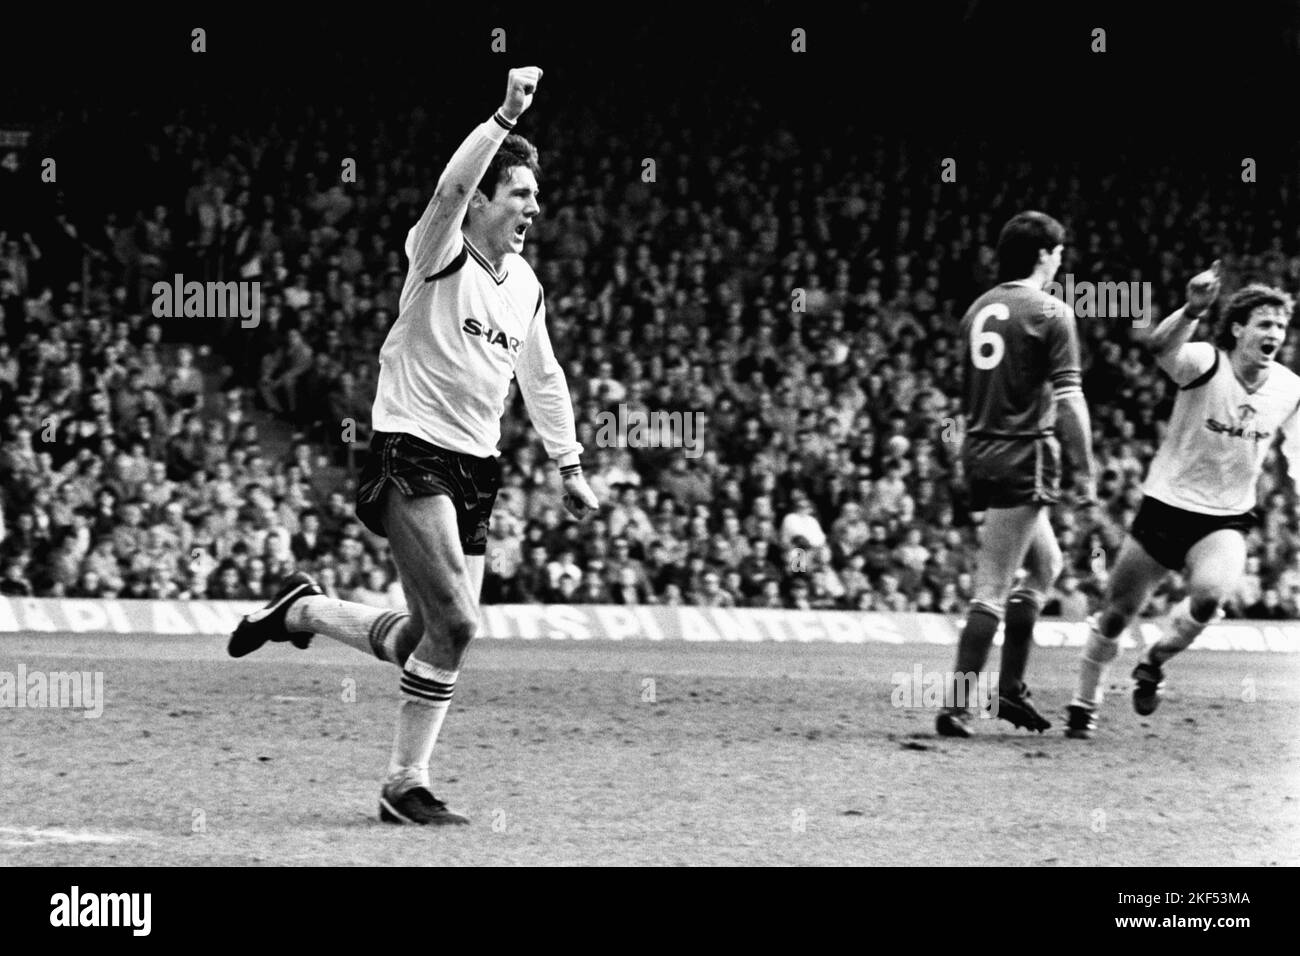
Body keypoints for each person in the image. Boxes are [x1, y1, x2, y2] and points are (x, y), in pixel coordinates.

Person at [228, 67, 598, 825]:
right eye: (521, 193)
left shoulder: (524, 286)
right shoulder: (439, 250)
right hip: (412, 452)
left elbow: (544, 375)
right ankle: (405, 783)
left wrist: (570, 464)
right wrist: (502, 116)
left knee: (430, 636)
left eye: (534, 194)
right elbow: (447, 193)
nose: (534, 206)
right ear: (488, 198)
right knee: (460, 625)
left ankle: (305, 613)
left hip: (476, 469)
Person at [1066, 271, 1300, 738]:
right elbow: (1159, 348)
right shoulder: (1205, 363)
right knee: (1116, 613)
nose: (1273, 333)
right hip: (1166, 507)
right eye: (1263, 324)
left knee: (1211, 595)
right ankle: (1083, 702)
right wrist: (1192, 310)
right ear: (1237, 328)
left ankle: (1153, 662)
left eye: (1280, 326)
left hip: (1226, 517)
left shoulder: (1290, 388)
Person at [936, 211, 1096, 738]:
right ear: (1045, 255)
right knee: (992, 587)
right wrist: (1086, 471)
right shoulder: (1052, 312)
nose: (1062, 260)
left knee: (1045, 566)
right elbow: (1070, 401)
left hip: (979, 450)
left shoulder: (978, 309)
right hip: (1022, 455)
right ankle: (958, 706)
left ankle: (1011, 690)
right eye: (1060, 252)